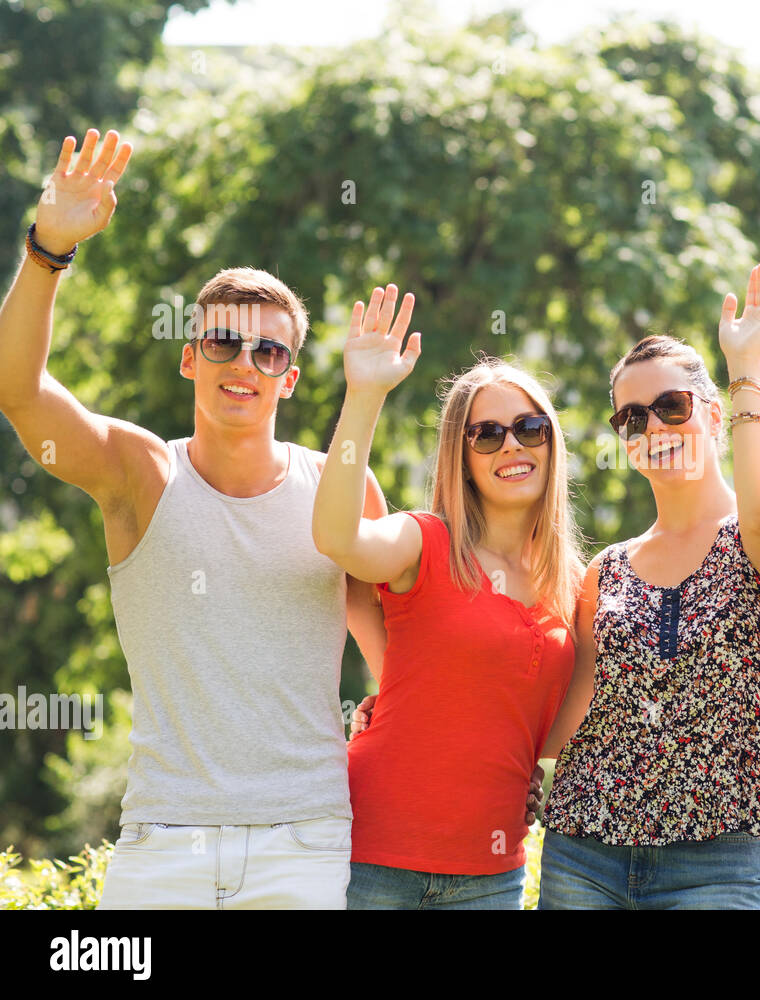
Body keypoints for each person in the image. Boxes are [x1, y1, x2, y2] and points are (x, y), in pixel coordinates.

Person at [0, 130, 390, 909]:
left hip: (306, 844)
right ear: (190, 358)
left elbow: (396, 664)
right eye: (223, 342)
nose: (245, 363)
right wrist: (48, 251)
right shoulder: (141, 474)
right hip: (163, 844)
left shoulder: (340, 489)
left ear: (290, 378)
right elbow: (18, 393)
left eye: (269, 353)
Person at [535, 264, 760, 909]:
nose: (653, 429)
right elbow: (571, 706)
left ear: (712, 416)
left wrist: (745, 365)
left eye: (671, 407)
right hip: (582, 846)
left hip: (714, 858)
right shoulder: (608, 569)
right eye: (632, 418)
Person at [312, 287, 584, 910]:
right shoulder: (423, 542)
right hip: (373, 859)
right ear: (462, 459)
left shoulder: (575, 584)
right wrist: (365, 394)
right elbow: (335, 536)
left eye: (528, 428)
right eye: (486, 435)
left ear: (551, 442)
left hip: (492, 873)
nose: (511, 446)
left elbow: (550, 732)